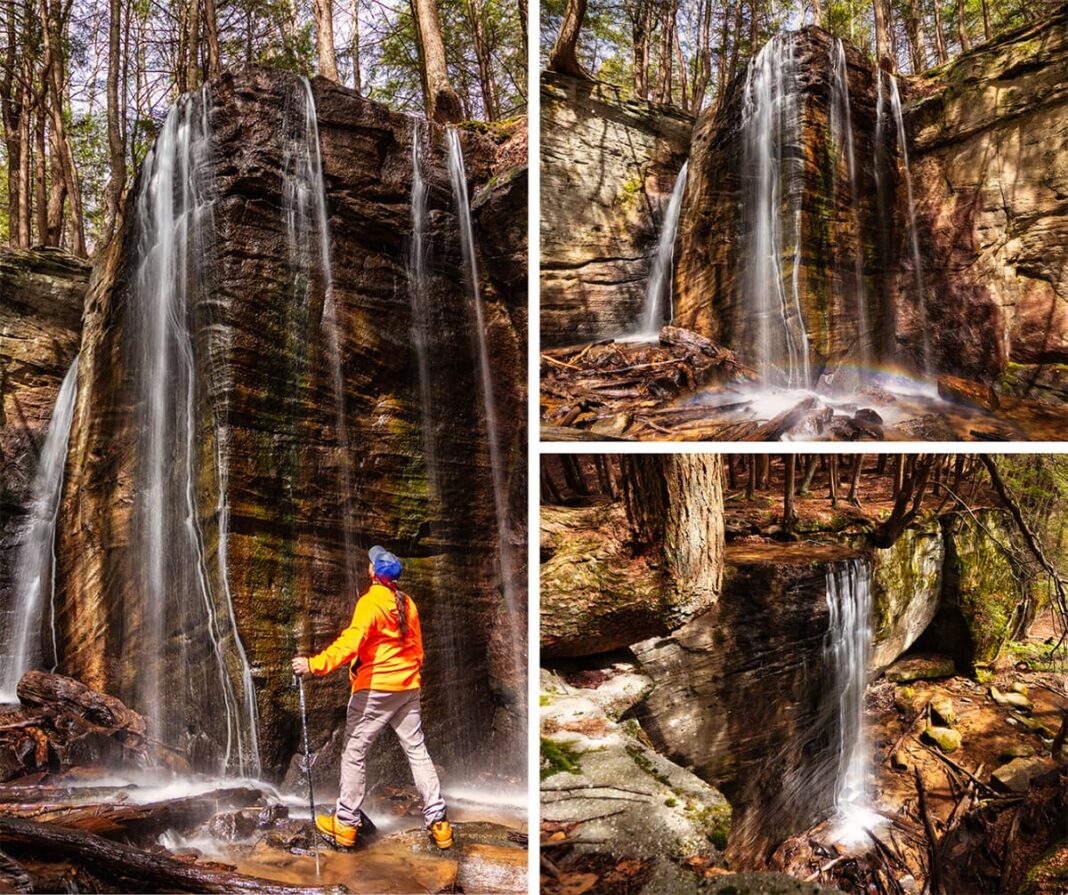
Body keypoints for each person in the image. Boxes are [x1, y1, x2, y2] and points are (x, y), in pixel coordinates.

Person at [291, 545, 453, 850]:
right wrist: (408, 674)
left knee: (354, 752)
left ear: (372, 572)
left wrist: (314, 664)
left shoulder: (370, 603)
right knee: (417, 751)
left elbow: (351, 643)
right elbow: (418, 649)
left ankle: (346, 823)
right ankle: (439, 823)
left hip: (375, 689)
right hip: (408, 688)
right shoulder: (408, 603)